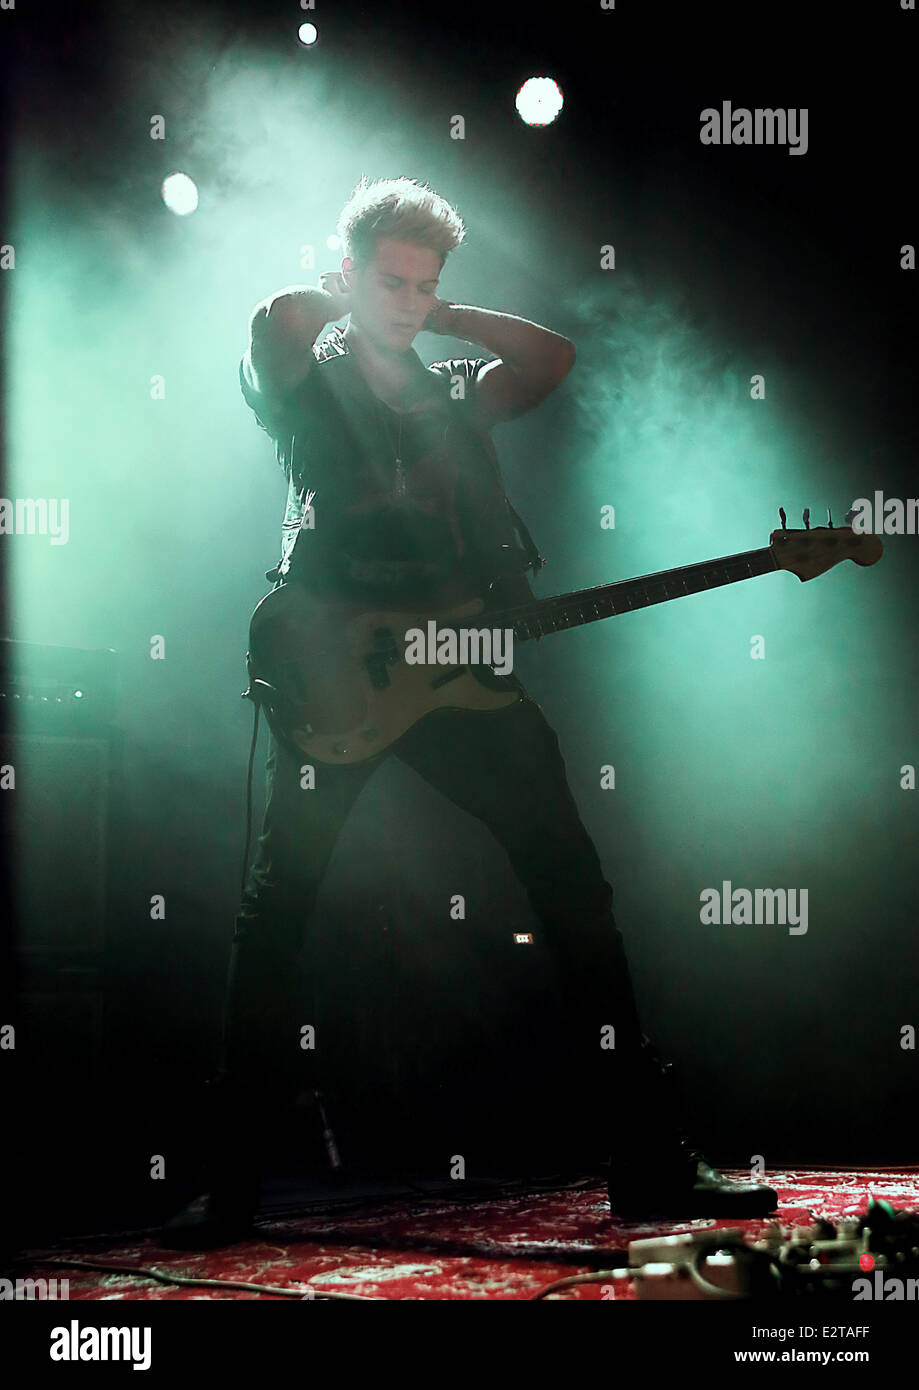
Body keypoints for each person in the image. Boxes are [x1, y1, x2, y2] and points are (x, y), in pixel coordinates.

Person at [161, 176, 778, 1248]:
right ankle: (230, 1183)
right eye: (390, 279)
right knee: (276, 918)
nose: (408, 299)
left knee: (575, 892)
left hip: (463, 669)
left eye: (427, 283)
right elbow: (274, 322)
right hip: (340, 670)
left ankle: (645, 1157)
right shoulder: (308, 377)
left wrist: (434, 316)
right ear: (349, 274)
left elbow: (551, 360)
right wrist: (351, 297)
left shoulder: (452, 388)